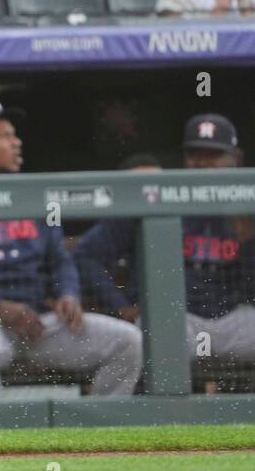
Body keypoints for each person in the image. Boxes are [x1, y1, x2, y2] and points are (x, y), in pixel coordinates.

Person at [0, 95, 144, 399]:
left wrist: (67, 293)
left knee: (128, 341)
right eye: (5, 136)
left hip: (39, 325)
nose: (16, 142)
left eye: (14, 135)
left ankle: (94, 439)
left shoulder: (31, 195)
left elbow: (60, 259)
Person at [76, 116, 255, 366]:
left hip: (231, 321)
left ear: (236, 159)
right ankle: (172, 407)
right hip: (176, 320)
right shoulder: (159, 196)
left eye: (212, 156)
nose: (202, 164)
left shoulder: (247, 208)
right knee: (160, 334)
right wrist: (121, 306)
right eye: (194, 155)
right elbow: (86, 255)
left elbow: (248, 291)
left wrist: (248, 245)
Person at [72, 153, 162, 322]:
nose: (149, 190)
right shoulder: (125, 220)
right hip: (151, 314)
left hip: (195, 308)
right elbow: (84, 256)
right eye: (140, 186)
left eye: (157, 183)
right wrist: (120, 305)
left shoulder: (186, 215)